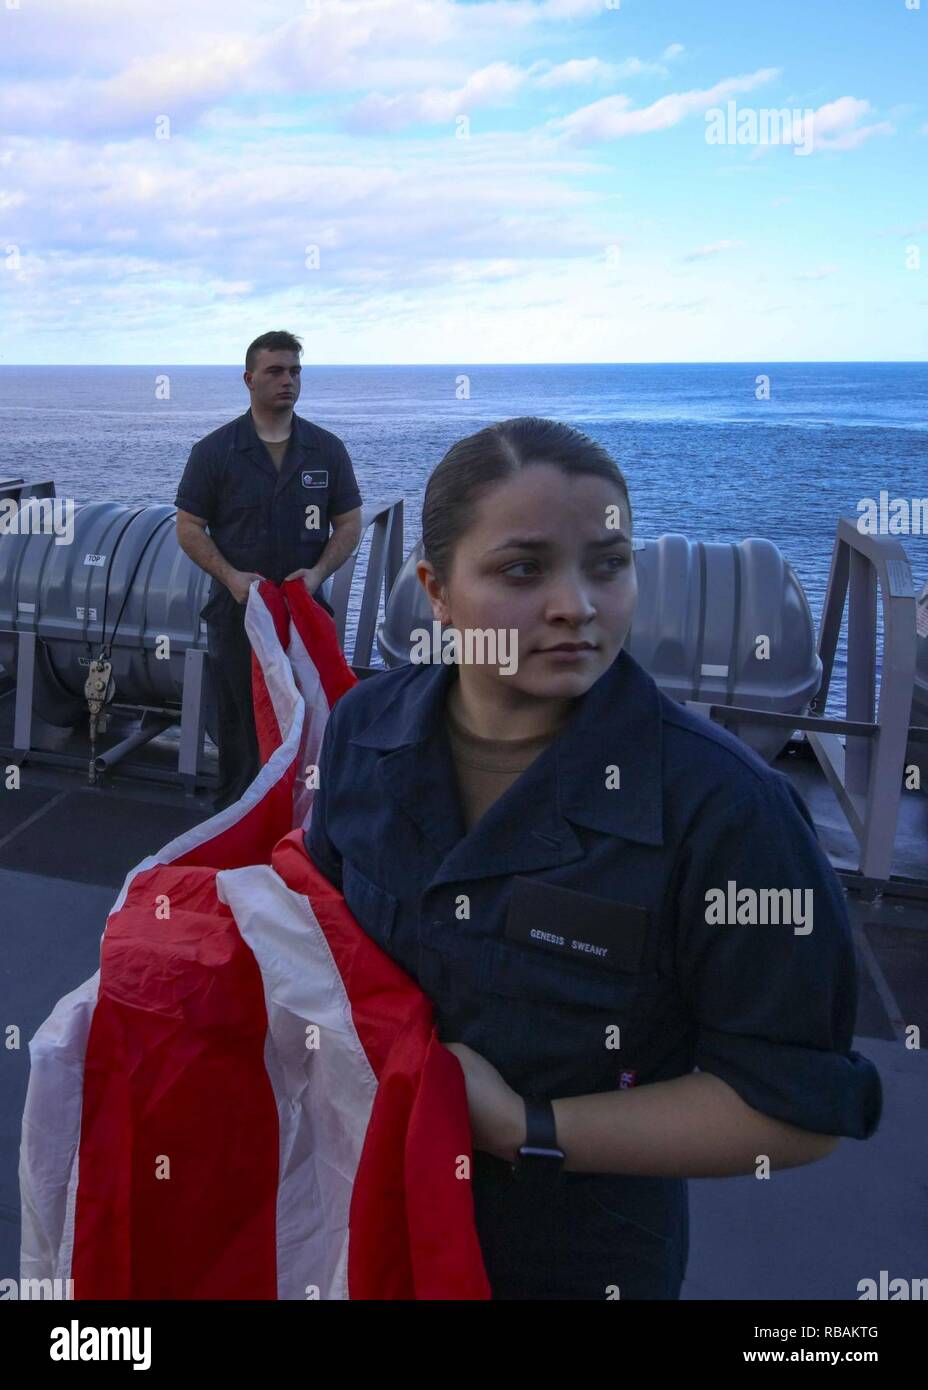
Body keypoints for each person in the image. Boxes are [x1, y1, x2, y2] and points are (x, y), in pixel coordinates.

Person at [303, 416, 881, 1300]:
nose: (576, 604)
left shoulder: (723, 813)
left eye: (607, 563)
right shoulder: (362, 733)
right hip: (368, 1215)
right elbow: (323, 943)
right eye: (523, 569)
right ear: (435, 591)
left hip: (572, 1261)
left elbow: (791, 1111)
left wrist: (526, 1128)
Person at [174, 331, 363, 811]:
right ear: (249, 379)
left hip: (304, 618)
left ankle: (303, 831)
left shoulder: (325, 450)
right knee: (241, 733)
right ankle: (234, 834)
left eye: (295, 371)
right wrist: (232, 577)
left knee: (314, 725)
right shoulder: (215, 452)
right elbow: (189, 527)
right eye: (276, 371)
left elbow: (348, 523)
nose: (288, 381)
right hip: (239, 618)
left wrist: (318, 573)